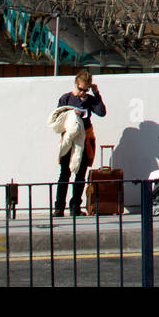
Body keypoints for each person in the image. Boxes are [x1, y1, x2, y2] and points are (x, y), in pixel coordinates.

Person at [54, 70, 105, 216]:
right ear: (76, 84)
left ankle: (75, 206)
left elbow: (101, 112)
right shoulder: (66, 98)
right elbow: (57, 117)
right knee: (65, 174)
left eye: (86, 90)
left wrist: (96, 94)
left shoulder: (89, 99)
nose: (82, 93)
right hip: (69, 140)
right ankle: (59, 207)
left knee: (80, 174)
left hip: (84, 140)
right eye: (81, 89)